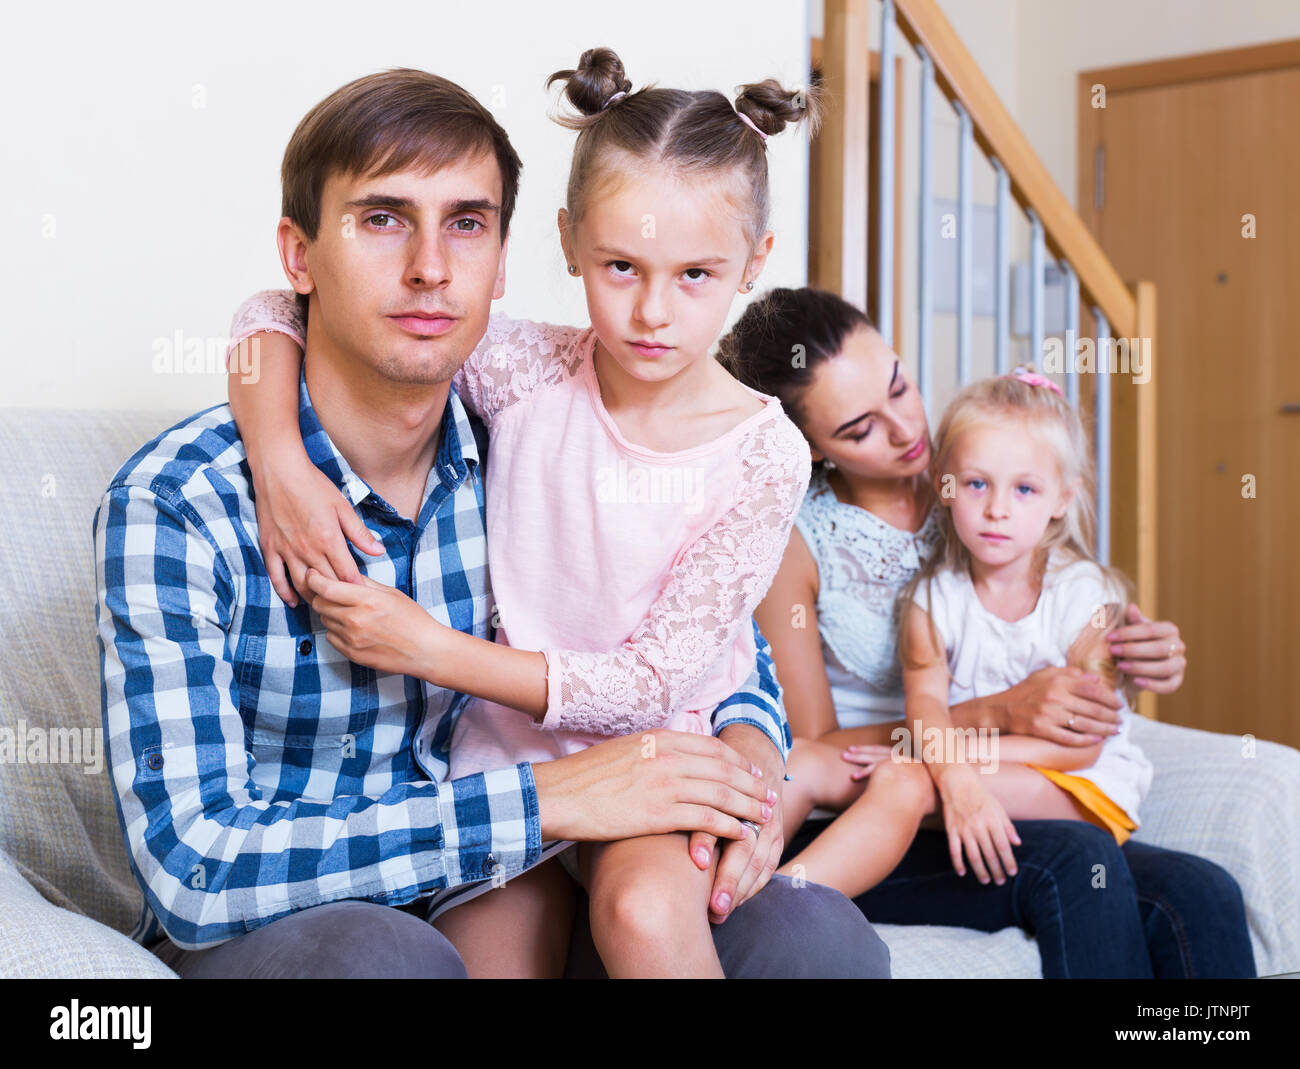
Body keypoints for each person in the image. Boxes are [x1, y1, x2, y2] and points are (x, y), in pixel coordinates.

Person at [92, 73, 889, 980]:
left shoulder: (506, 425)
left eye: (466, 223)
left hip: (538, 836)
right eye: (383, 218)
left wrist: (748, 758)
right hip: (319, 915)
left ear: (506, 259)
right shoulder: (180, 503)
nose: (431, 267)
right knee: (387, 957)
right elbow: (195, 872)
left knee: (815, 935)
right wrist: (278, 457)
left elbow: (697, 646)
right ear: (300, 252)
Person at [725, 286, 1255, 978]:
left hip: (991, 774)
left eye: (899, 385)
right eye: (860, 429)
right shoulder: (794, 545)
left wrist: (1138, 649)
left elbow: (1059, 607)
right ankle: (774, 906)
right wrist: (990, 715)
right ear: (813, 451)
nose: (907, 427)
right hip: (876, 806)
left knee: (1202, 893)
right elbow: (813, 754)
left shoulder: (980, 476)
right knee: (1080, 861)